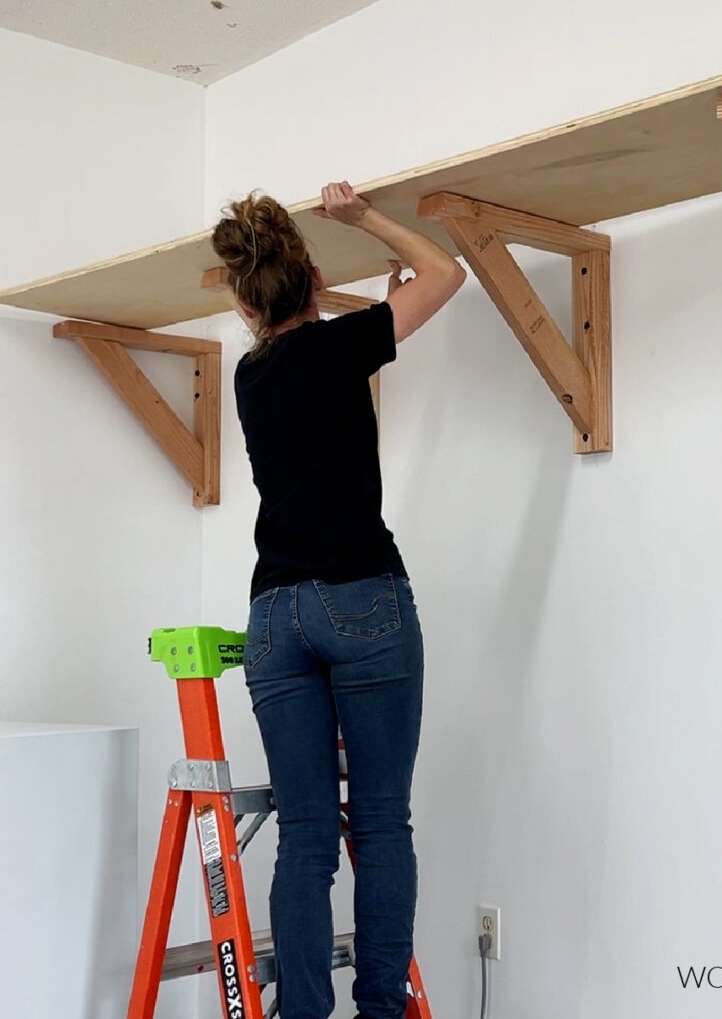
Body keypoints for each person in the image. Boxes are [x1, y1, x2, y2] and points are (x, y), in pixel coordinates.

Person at [212, 180, 465, 1019]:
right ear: (314, 278)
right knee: (381, 826)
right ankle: (381, 1011)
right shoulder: (339, 347)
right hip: (362, 599)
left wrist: (374, 317)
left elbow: (324, 400)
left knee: (307, 838)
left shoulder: (252, 375)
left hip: (275, 617)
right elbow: (447, 271)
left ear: (246, 298)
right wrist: (366, 219)